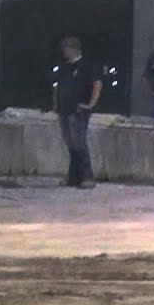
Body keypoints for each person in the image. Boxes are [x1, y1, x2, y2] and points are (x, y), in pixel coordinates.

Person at [52, 36, 102, 190]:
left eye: (67, 48)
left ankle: (87, 176)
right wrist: (55, 103)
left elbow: (97, 84)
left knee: (79, 143)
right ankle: (74, 176)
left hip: (78, 110)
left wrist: (91, 104)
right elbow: (56, 86)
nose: (64, 51)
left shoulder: (86, 66)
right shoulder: (63, 67)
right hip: (64, 110)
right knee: (71, 144)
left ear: (74, 49)